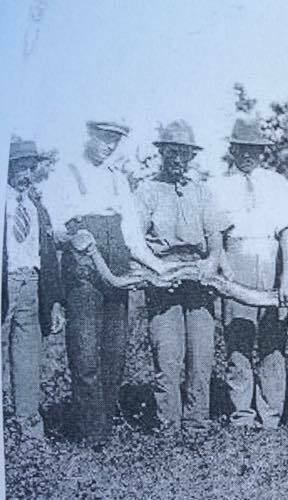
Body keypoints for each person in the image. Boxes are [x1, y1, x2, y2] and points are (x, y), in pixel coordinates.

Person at [42, 120, 171, 445]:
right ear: (89, 136)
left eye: (115, 141)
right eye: (104, 139)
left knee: (115, 351)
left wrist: (158, 269)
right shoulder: (65, 175)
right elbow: (51, 230)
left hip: (117, 270)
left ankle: (107, 426)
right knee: (85, 352)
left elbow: (133, 238)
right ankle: (90, 434)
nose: (109, 146)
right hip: (83, 272)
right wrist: (74, 237)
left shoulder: (118, 179)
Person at [136, 120, 226, 432]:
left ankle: (197, 423)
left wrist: (211, 262)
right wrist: (158, 270)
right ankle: (168, 426)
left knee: (201, 356)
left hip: (199, 277)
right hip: (164, 275)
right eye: (172, 153)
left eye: (184, 154)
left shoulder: (202, 191)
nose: (178, 159)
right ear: (162, 153)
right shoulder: (146, 191)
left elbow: (215, 239)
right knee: (168, 355)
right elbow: (135, 240)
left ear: (191, 157)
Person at [208, 117, 288, 430]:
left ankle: (271, 415)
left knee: (273, 342)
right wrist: (224, 265)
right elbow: (214, 232)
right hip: (236, 258)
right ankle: (242, 414)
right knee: (239, 340)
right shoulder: (216, 185)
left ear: (263, 151)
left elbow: (287, 231)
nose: (248, 154)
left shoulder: (276, 183)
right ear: (232, 149)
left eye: (255, 148)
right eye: (242, 148)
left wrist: (287, 275)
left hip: (271, 259)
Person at [2, 139, 63, 439]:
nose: (25, 175)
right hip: (5, 283)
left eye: (30, 168)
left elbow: (49, 257)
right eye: (19, 167)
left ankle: (29, 430)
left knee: (27, 358)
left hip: (31, 284)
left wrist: (53, 301)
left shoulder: (37, 208)